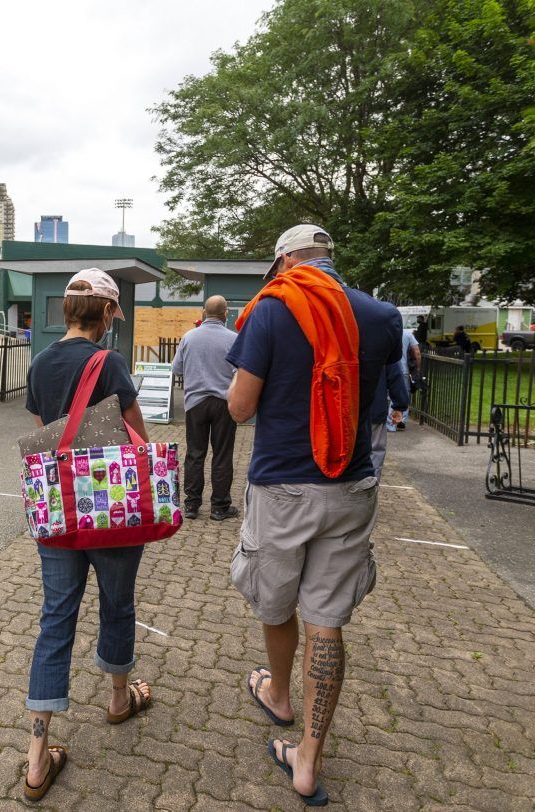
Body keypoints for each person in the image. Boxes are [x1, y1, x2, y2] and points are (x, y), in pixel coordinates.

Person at [225, 224, 402, 806]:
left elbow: (240, 407)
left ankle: (278, 694)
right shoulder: (380, 315)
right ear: (330, 258)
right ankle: (308, 760)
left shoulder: (274, 308)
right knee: (327, 619)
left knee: (276, 604)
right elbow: (386, 398)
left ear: (284, 261)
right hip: (351, 487)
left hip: (282, 488)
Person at [22, 268, 153, 801]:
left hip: (60, 513)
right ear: (106, 315)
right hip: (113, 512)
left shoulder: (40, 363)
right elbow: (138, 438)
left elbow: (42, 439)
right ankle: (119, 700)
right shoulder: (111, 362)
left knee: (56, 619)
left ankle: (36, 758)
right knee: (117, 606)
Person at [171, 295, 240, 521]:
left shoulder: (189, 337)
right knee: (222, 454)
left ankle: (191, 506)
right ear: (225, 313)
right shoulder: (234, 339)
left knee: (194, 453)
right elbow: (240, 372)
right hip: (223, 403)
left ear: (203, 312)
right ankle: (220, 507)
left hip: (195, 403)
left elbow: (177, 369)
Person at [371, 363, 410, 478]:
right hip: (374, 408)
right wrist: (399, 404)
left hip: (342, 410)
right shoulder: (382, 345)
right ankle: (370, 487)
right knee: (375, 451)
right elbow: (394, 374)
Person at [389, 329, 420, 431]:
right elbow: (416, 352)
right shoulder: (407, 334)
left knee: (389, 395)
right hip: (403, 369)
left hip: (388, 367)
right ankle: (401, 419)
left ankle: (390, 423)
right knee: (403, 394)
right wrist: (418, 368)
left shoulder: (388, 331)